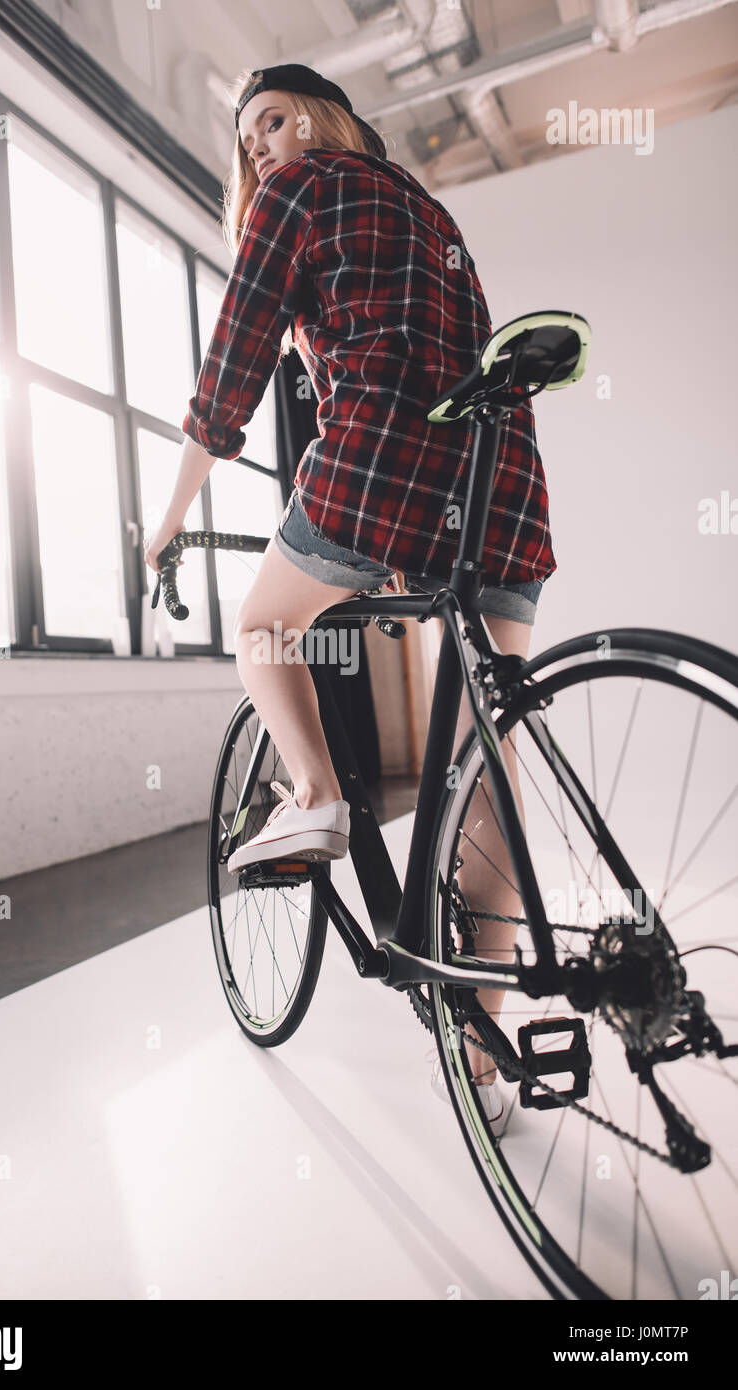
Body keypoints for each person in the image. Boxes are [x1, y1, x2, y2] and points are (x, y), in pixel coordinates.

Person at [143, 64, 556, 1124]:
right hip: (498, 476)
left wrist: (170, 518)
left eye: (273, 120)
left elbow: (230, 368)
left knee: (264, 627)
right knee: (487, 756)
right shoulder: (431, 205)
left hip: (378, 462)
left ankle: (316, 796)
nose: (261, 149)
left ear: (324, 118)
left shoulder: (303, 189)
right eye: (247, 142)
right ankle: (481, 1036)